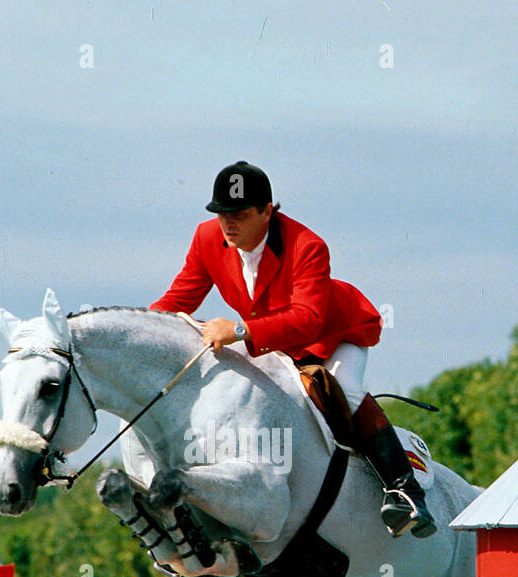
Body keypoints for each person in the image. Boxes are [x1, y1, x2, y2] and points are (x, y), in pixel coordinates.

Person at [150, 161, 435, 538]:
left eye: (239, 214)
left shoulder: (307, 245)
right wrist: (139, 329)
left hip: (332, 334)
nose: (227, 224)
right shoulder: (207, 239)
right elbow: (179, 298)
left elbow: (309, 320)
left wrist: (238, 330)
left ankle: (404, 489)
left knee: (342, 387)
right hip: (274, 343)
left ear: (268, 211)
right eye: (221, 214)